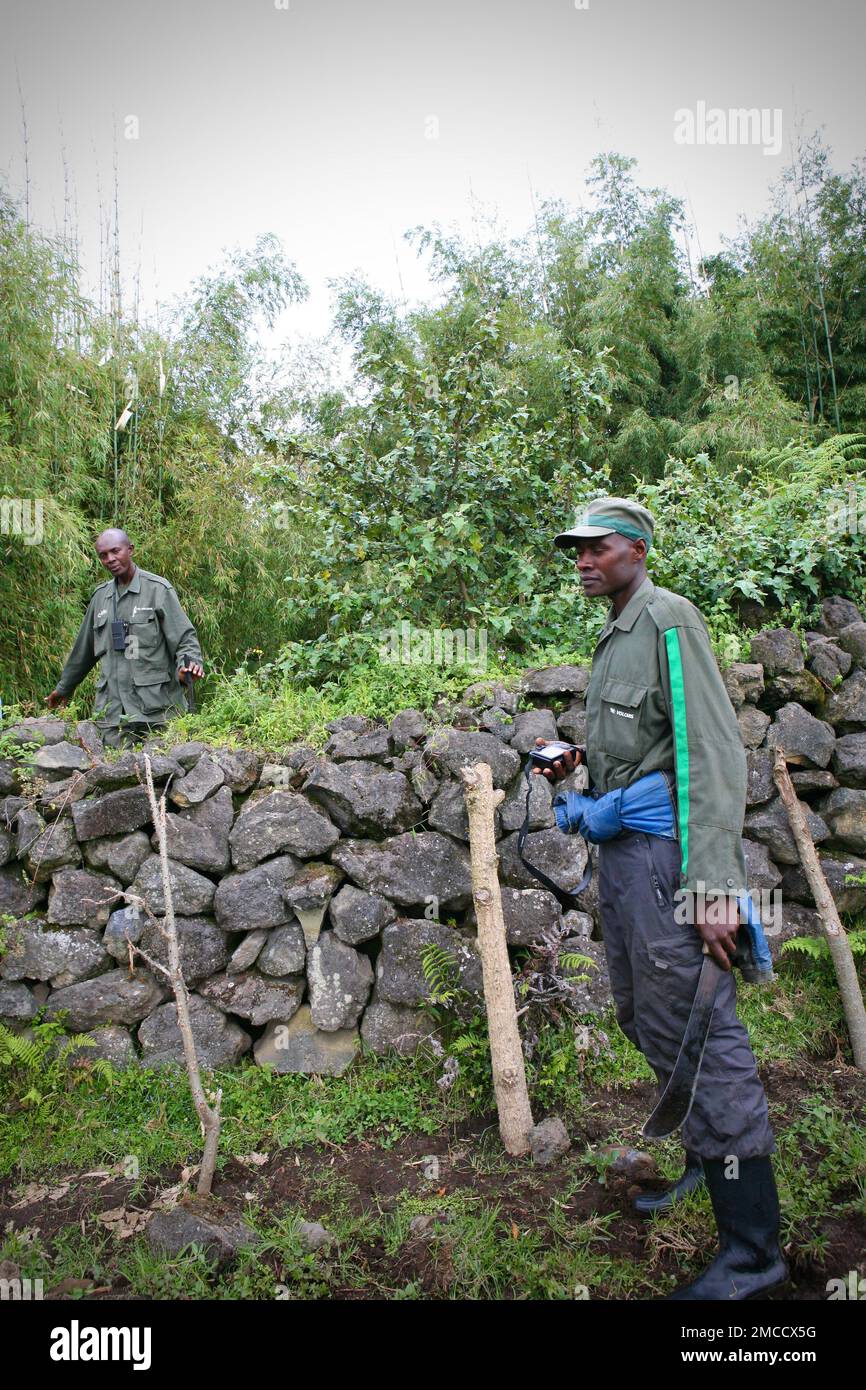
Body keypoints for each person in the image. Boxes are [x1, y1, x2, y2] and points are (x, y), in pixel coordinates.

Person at [536, 496, 787, 1301]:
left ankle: (753, 1252)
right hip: (625, 860)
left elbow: (711, 755)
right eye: (575, 549)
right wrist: (581, 764)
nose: (582, 559)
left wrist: (713, 887)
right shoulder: (617, 630)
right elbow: (646, 744)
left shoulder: (670, 620)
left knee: (702, 1033)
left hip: (667, 863)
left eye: (597, 548)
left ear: (638, 549)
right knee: (645, 1013)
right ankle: (705, 1164)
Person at [46, 529, 204, 747]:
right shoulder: (100, 598)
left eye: (115, 551)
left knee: (163, 773)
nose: (110, 559)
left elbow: (184, 637)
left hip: (158, 712)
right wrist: (64, 688)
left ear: (130, 550)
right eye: (103, 555)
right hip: (112, 716)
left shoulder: (157, 590)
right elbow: (83, 650)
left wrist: (190, 665)